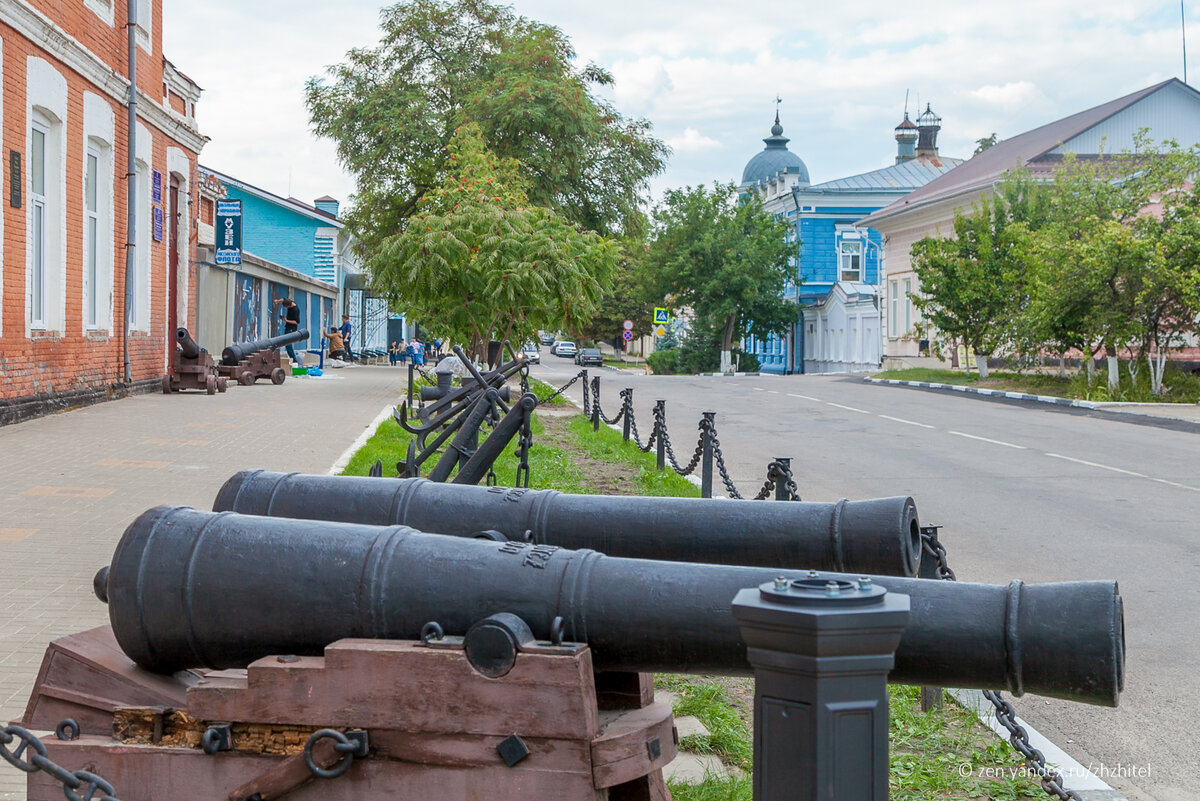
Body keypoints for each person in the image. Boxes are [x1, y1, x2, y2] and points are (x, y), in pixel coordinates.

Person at [273, 296, 301, 363]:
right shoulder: (289, 301)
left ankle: (294, 360)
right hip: (288, 327)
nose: (286, 308)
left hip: (292, 328)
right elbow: (283, 299)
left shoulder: (295, 310)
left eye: (287, 307)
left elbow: (297, 322)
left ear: (289, 305)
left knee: (288, 344)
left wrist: (286, 320)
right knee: (287, 344)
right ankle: (293, 359)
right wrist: (278, 301)